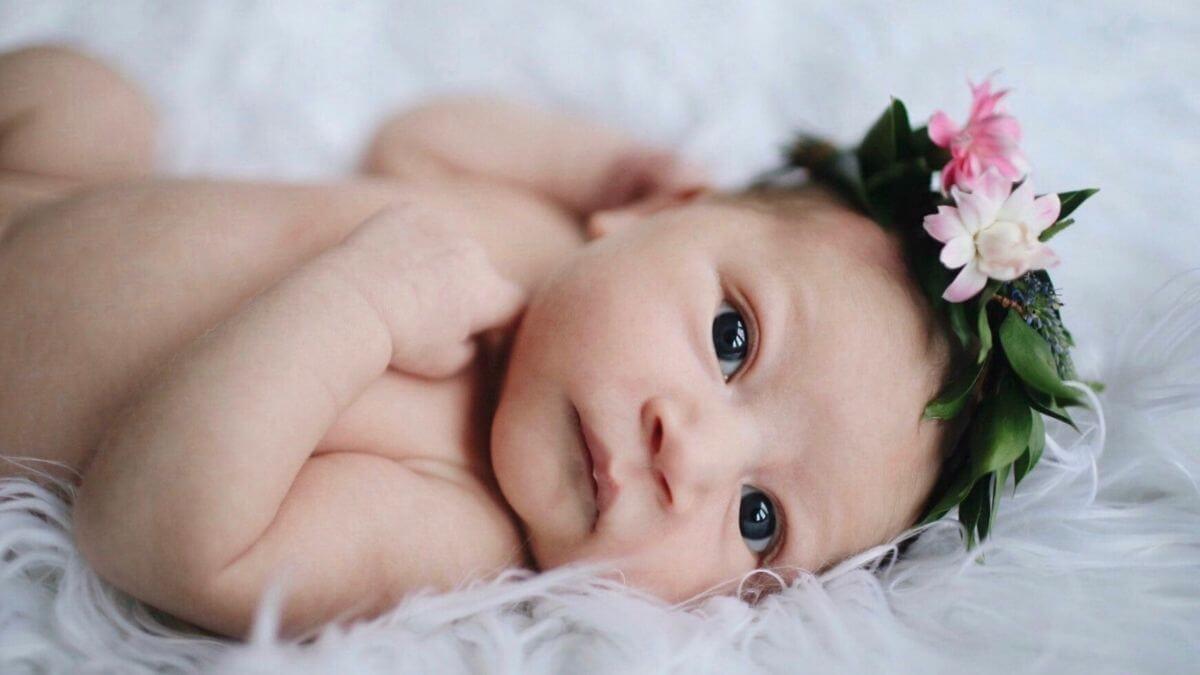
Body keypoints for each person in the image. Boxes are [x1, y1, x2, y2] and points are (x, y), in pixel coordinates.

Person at [0, 45, 957, 638]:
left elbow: (158, 537)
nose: (692, 456)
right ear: (650, 214)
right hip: (45, 187)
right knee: (91, 99)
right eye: (732, 336)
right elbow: (417, 140)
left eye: (760, 521)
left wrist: (358, 307)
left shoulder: (457, 519)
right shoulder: (544, 247)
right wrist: (604, 167)